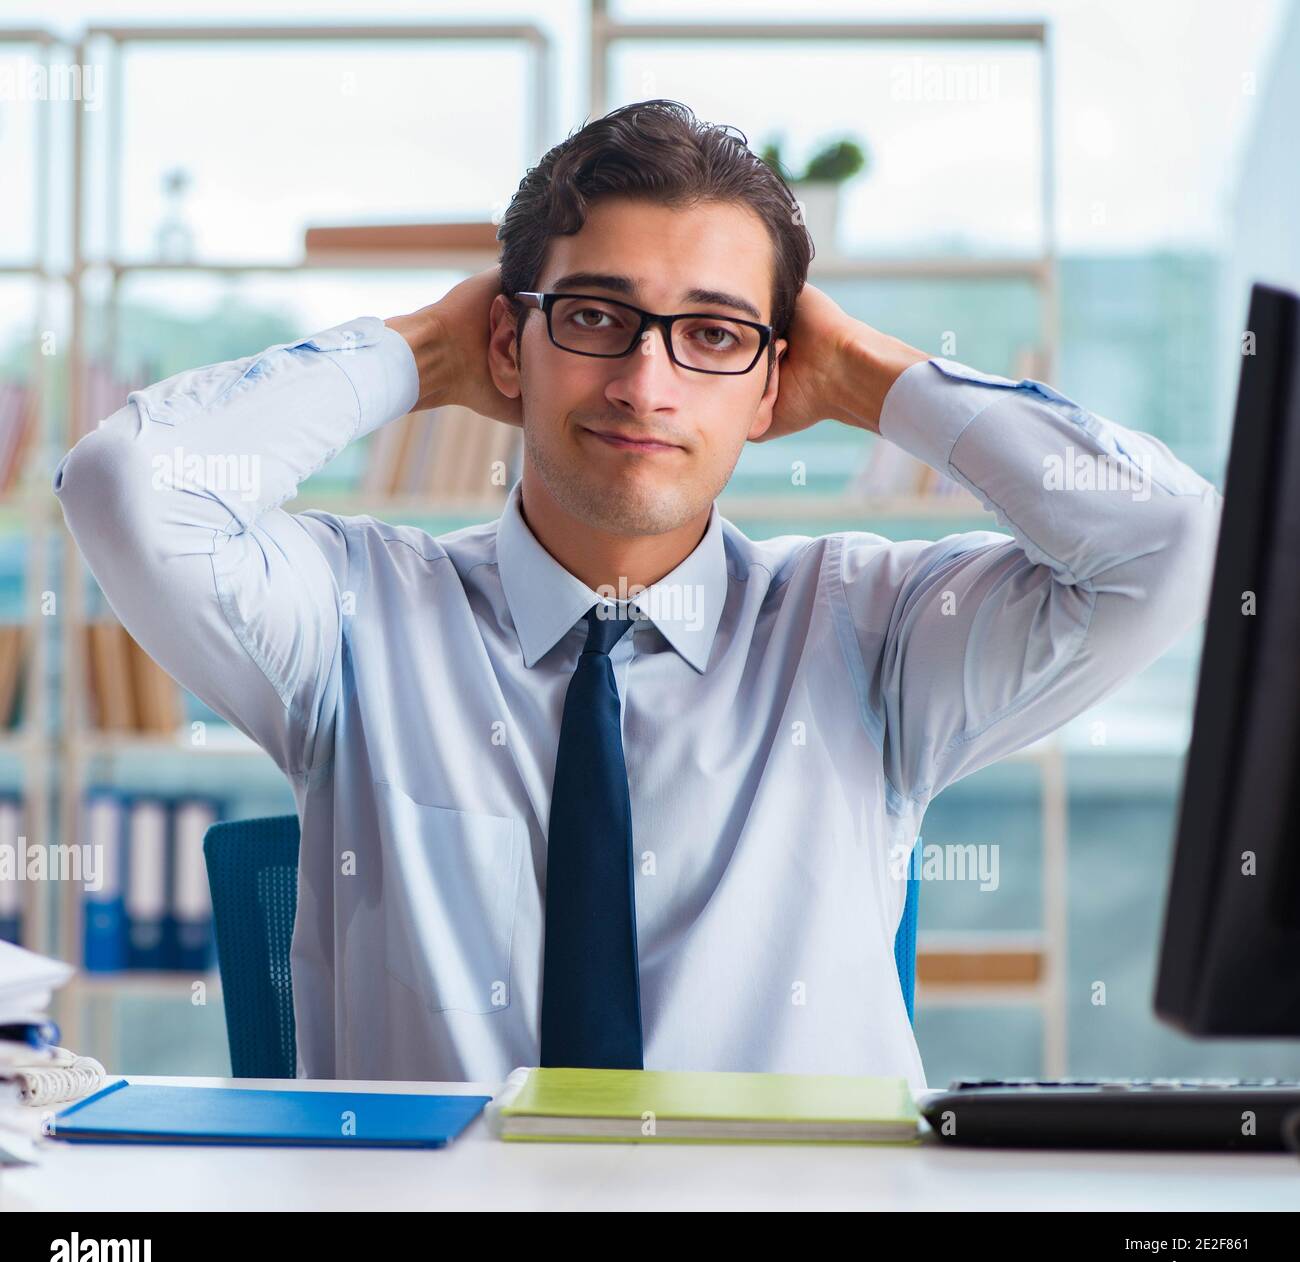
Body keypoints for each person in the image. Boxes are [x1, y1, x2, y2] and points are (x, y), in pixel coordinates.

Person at [54, 100, 1221, 1092]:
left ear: (773, 383)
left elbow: (1168, 542)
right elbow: (125, 484)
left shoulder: (872, 630)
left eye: (712, 335)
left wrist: (872, 374)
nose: (646, 383)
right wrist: (416, 350)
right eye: (597, 317)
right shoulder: (352, 617)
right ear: (512, 349)